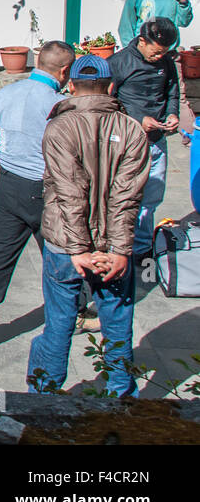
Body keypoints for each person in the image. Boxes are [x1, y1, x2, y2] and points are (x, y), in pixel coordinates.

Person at [26, 55, 149, 398]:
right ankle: (120, 399)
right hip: (111, 247)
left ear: (71, 87)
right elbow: (127, 199)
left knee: (60, 324)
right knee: (118, 327)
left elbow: (69, 191)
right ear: (111, 87)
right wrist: (121, 250)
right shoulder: (132, 129)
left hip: (66, 247)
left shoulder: (59, 127)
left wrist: (80, 249)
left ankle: (43, 397)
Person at [0, 40, 75, 352]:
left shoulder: (7, 93)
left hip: (10, 182)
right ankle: (75, 310)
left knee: (1, 251)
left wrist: (8, 155)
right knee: (59, 250)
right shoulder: (58, 104)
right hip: (44, 188)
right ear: (64, 71)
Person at [108, 16, 180, 261]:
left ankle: (140, 249)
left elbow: (172, 92)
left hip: (157, 140)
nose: (160, 56)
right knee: (123, 196)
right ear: (142, 40)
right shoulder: (119, 63)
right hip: (127, 143)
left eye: (165, 52)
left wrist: (172, 113)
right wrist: (137, 121)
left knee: (151, 198)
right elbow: (107, 104)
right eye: (156, 51)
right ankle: (117, 246)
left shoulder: (166, 63)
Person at [118, 0, 195, 136]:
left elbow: (184, 22)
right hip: (142, 54)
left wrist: (184, 2)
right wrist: (134, 53)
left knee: (178, 93)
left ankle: (187, 135)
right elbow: (126, 26)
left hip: (170, 54)